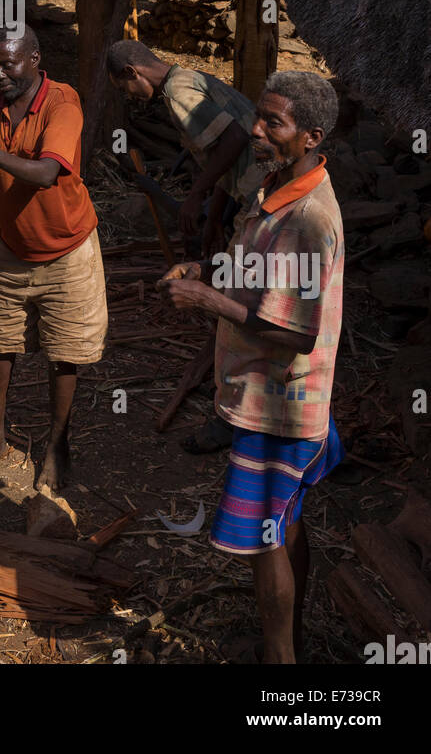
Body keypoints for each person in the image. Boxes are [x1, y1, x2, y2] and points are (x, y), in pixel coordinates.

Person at [158, 70, 344, 664]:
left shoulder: (308, 219)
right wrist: (210, 276)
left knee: (267, 538)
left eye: (273, 123)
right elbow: (262, 287)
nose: (256, 129)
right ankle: (287, 644)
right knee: (285, 522)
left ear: (311, 136)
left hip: (280, 403)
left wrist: (208, 301)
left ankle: (280, 664)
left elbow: (295, 330)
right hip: (270, 397)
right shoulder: (276, 190)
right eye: (258, 117)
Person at [0, 25, 106, 492]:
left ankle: (57, 445)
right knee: (0, 341)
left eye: (8, 64)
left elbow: (47, 171)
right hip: (13, 244)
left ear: (34, 60)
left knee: (64, 351)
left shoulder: (63, 103)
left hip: (67, 247)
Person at [108, 39, 261, 454]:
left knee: (238, 304)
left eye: (126, 89)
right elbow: (232, 148)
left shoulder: (178, 94)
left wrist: (196, 196)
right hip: (254, 194)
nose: (131, 97)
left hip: (262, 202)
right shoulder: (189, 77)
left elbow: (233, 139)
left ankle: (234, 416)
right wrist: (214, 216)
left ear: (132, 73)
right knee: (243, 292)